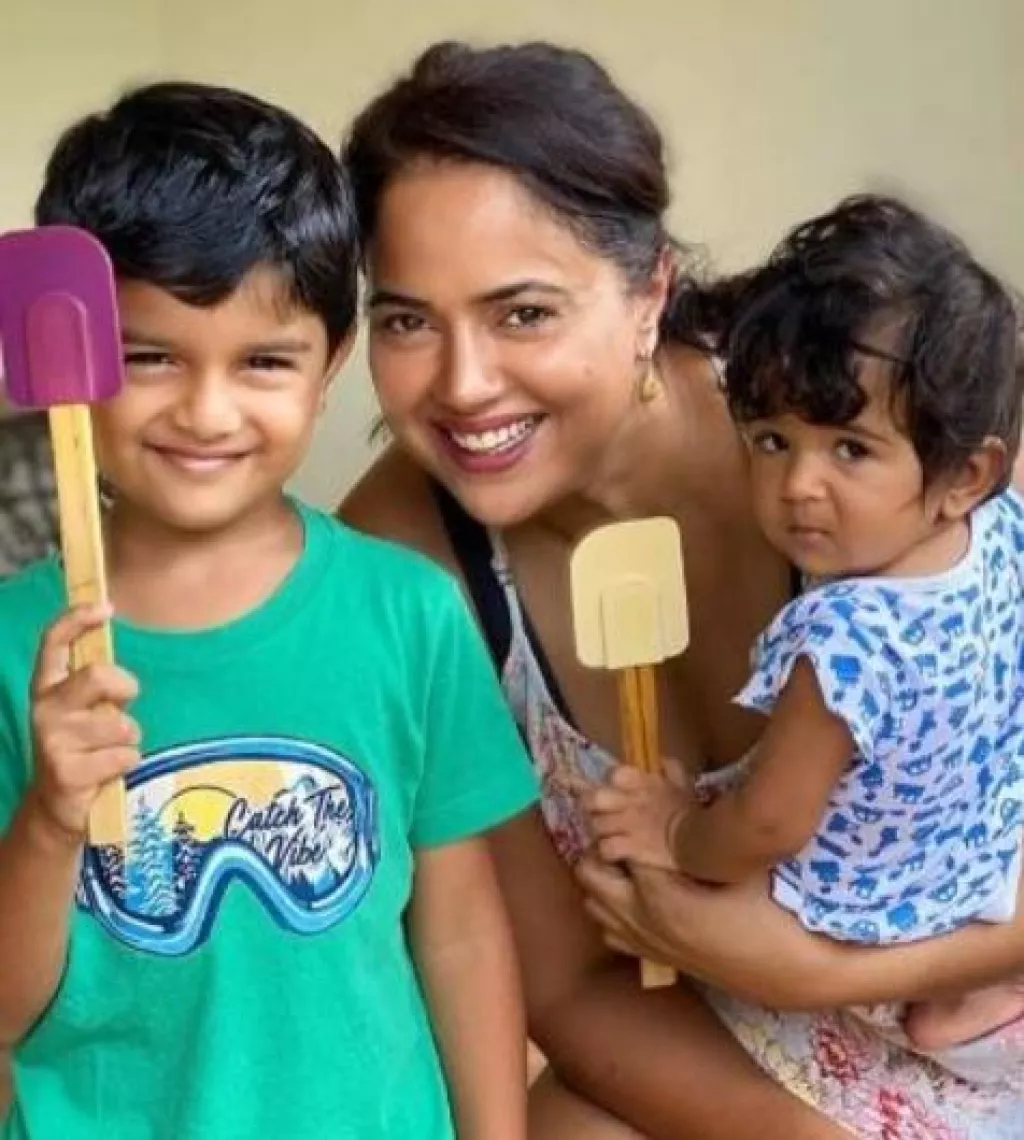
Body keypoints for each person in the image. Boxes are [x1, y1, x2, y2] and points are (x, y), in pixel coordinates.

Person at [339, 39, 1024, 1139]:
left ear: (650, 287)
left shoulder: (887, 431)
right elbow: (564, 992)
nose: (463, 386)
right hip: (757, 1062)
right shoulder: (402, 556)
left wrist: (805, 968)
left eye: (522, 313)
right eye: (409, 320)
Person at [0, 81, 537, 1140]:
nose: (206, 410)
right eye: (150, 356)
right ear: (80, 366)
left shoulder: (408, 615)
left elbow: (464, 935)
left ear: (331, 363)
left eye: (263, 361)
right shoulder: (16, 647)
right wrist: (51, 822)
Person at [581, 194, 1024, 1074]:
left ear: (965, 471)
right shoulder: (999, 529)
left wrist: (675, 833)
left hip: (869, 906)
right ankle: (973, 989)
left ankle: (931, 997)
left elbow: (771, 827)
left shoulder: (845, 634)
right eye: (773, 441)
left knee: (661, 866)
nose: (798, 487)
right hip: (985, 850)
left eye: (850, 450)